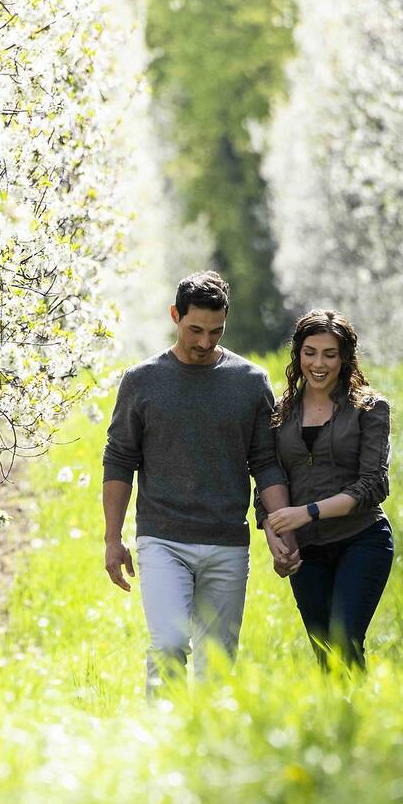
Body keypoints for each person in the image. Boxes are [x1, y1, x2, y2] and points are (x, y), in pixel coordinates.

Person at [102, 271, 294, 687]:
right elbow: (118, 460)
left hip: (227, 541)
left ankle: (206, 749)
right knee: (169, 644)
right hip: (163, 538)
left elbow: (265, 462)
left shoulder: (250, 382)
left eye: (215, 331)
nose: (205, 342)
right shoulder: (142, 381)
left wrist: (281, 529)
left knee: (218, 664)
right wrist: (112, 538)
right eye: (195, 330)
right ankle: (161, 742)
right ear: (175, 316)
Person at [261, 309, 394, 668]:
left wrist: (306, 512)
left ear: (345, 357)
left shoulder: (370, 409)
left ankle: (364, 721)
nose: (318, 364)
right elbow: (270, 474)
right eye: (310, 352)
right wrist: (273, 531)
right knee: (325, 655)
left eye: (329, 354)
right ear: (297, 354)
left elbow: (373, 485)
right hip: (308, 551)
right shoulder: (281, 413)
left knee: (345, 642)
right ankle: (338, 723)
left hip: (362, 539)